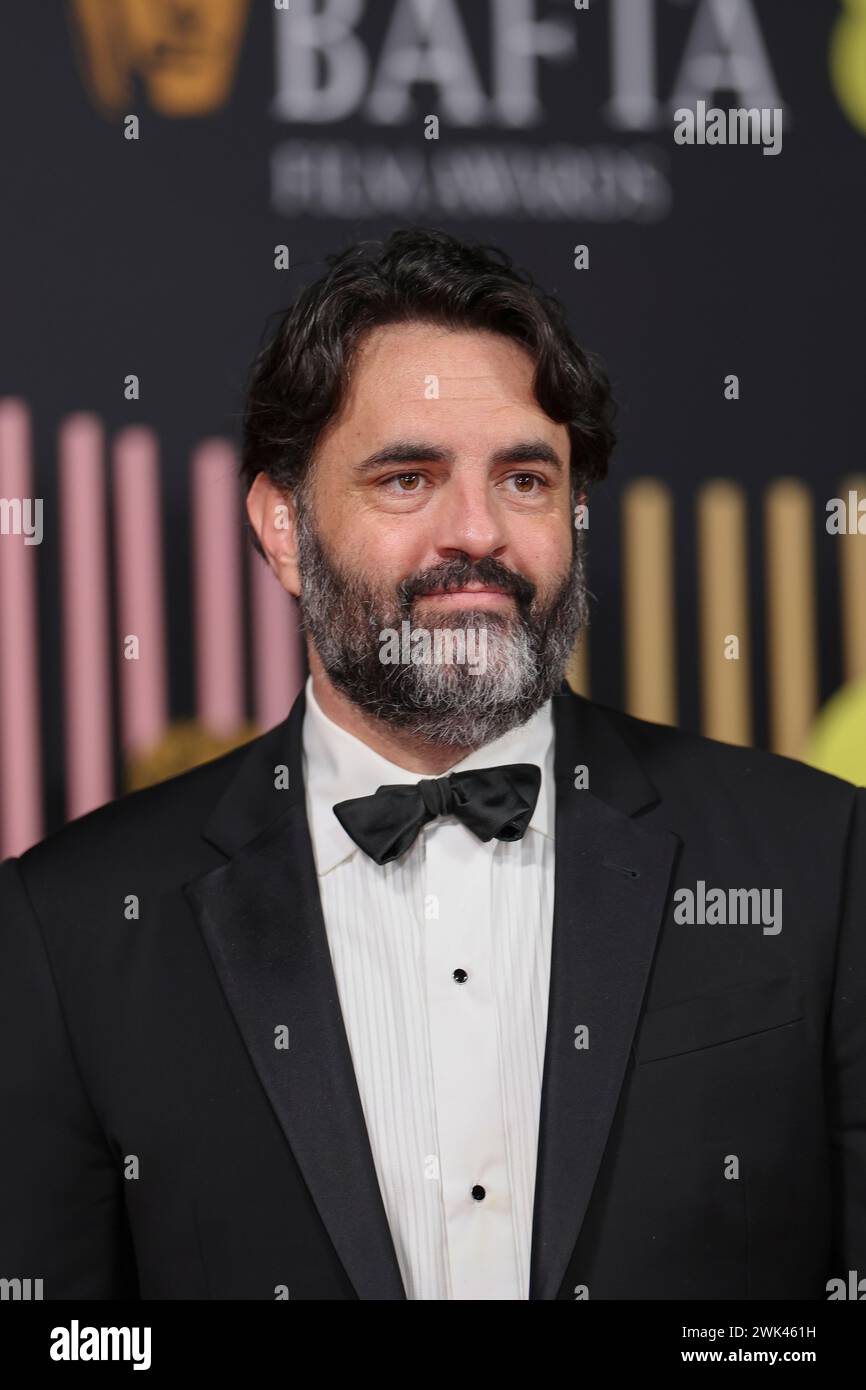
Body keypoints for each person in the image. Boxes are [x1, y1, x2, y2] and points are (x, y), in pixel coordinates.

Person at [1, 229, 863, 1301]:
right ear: (281, 526)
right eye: (407, 478)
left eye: (523, 478)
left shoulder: (817, 862)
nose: (478, 532)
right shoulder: (72, 925)